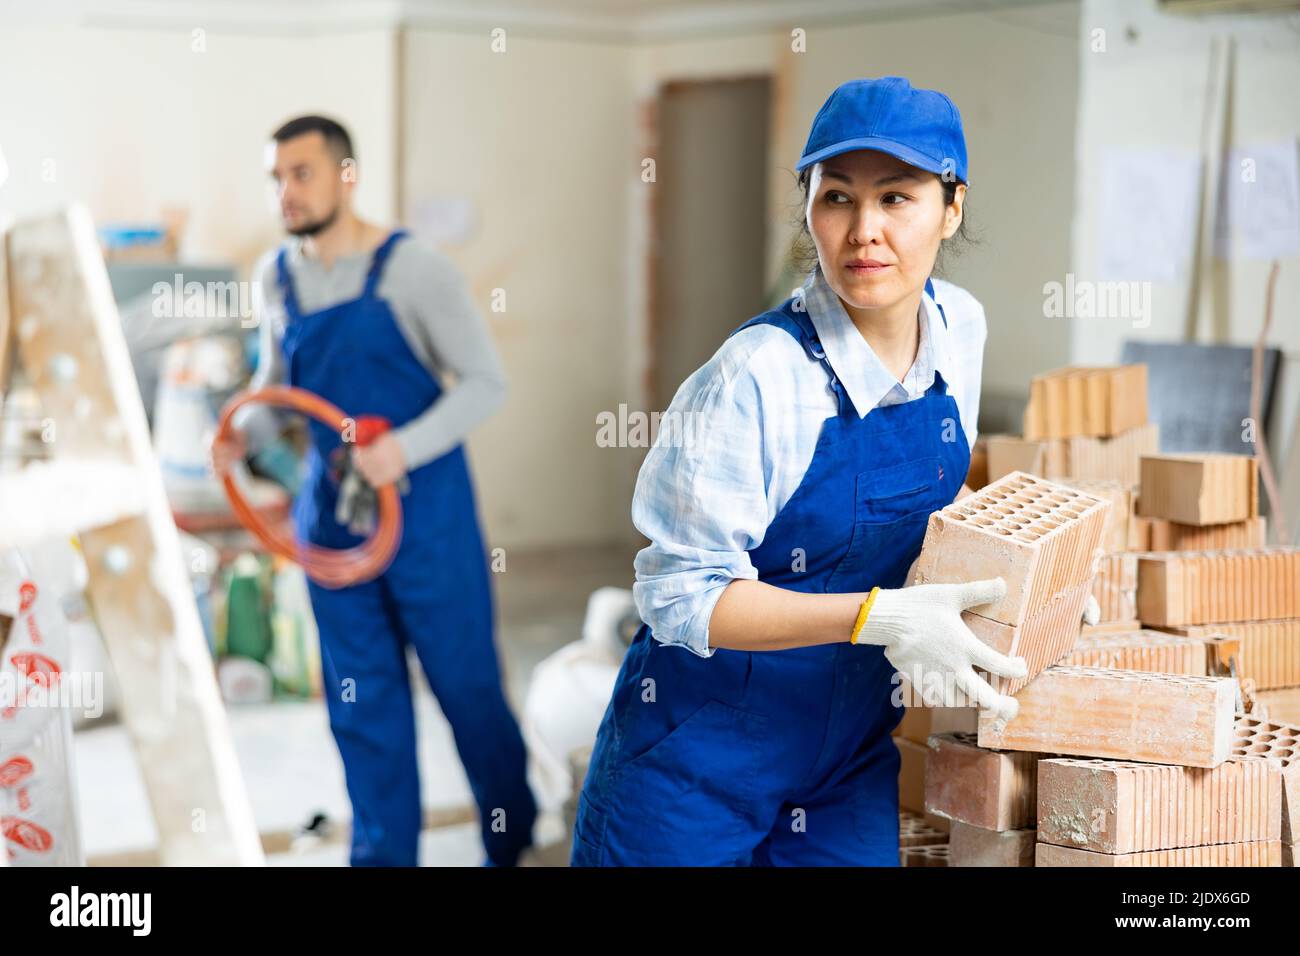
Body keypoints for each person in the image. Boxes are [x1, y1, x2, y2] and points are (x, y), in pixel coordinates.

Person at [572, 77, 1028, 867]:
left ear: (951, 208)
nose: (864, 231)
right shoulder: (756, 378)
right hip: (698, 763)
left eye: (897, 199)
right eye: (838, 196)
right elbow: (683, 594)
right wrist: (872, 619)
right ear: (807, 204)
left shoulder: (960, 331)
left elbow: (931, 498)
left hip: (845, 756)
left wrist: (1032, 582)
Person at [212, 115, 536, 866]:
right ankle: (384, 855)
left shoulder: (412, 268)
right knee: (363, 706)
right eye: (276, 178)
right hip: (334, 522)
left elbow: (486, 383)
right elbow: (276, 389)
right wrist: (244, 435)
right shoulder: (276, 276)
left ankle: (510, 835)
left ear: (345, 176)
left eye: (302, 173)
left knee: (467, 688)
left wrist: (403, 449)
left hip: (428, 516)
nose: (286, 192)